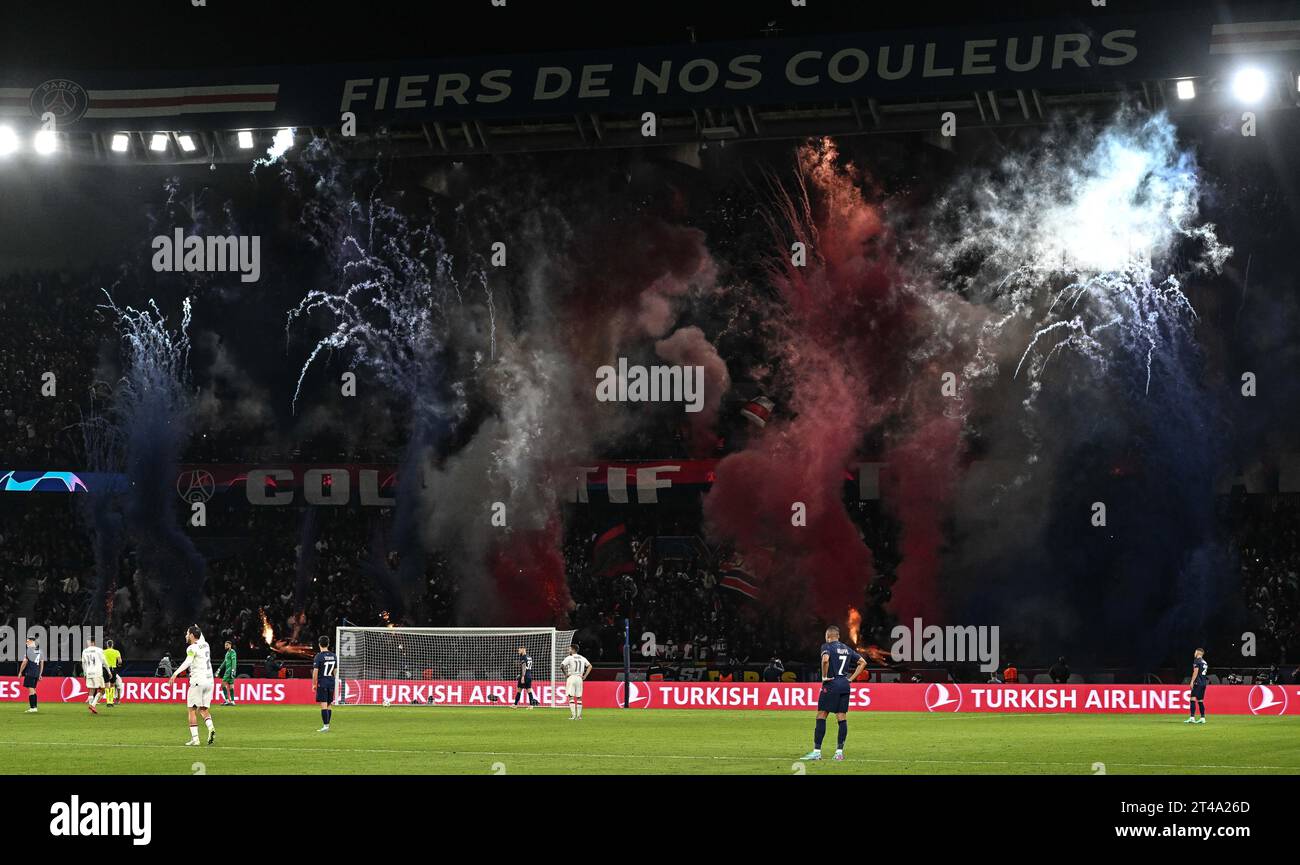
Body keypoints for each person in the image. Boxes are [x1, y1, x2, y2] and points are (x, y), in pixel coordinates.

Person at [800, 625, 867, 762]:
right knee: (841, 717)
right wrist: (851, 679)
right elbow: (863, 662)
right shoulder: (847, 649)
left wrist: (824, 676)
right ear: (838, 636)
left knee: (821, 715)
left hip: (831, 684)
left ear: (828, 636)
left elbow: (825, 660)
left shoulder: (827, 646)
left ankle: (817, 752)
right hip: (844, 685)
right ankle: (839, 753)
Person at [168, 625, 216, 745]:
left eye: (187, 633)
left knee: (192, 710)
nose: (185, 635)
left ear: (191, 636)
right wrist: (198, 628)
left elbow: (188, 661)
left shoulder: (191, 648)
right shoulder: (206, 644)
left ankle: (195, 739)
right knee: (204, 709)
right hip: (210, 682)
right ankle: (211, 728)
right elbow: (201, 636)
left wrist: (175, 673)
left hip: (198, 682)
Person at [312, 636, 337, 732]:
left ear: (319, 644)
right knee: (329, 704)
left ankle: (325, 726)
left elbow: (315, 672)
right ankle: (327, 725)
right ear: (328, 644)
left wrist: (314, 684)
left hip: (322, 682)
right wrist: (332, 680)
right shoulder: (334, 656)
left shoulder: (319, 656)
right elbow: (335, 671)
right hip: (331, 682)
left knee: (323, 704)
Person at [560, 644, 591, 720]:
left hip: (572, 677)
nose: (568, 650)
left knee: (571, 696)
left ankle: (573, 716)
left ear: (573, 650)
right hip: (579, 678)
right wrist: (585, 676)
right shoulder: (582, 658)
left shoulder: (569, 658)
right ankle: (579, 716)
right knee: (579, 697)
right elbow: (590, 666)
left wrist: (565, 674)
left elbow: (561, 666)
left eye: (570, 649)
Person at [17, 636, 43, 713]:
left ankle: (33, 707)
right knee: (33, 690)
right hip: (36, 673)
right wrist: (40, 673)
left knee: (31, 690)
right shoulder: (39, 651)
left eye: (27, 641)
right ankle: (34, 707)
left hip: (30, 672)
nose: (26, 642)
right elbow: (42, 662)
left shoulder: (29, 650)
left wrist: (20, 671)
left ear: (32, 641)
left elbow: (25, 662)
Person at [81, 637, 106, 715]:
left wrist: (85, 673)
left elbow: (83, 663)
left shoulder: (85, 651)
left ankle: (91, 708)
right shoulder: (99, 650)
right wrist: (108, 671)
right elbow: (104, 662)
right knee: (102, 690)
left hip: (89, 672)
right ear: (94, 642)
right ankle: (93, 705)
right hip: (97, 672)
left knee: (91, 690)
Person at [1186, 647, 1208, 724]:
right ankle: (1202, 718)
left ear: (1198, 653)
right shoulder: (1204, 662)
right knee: (1200, 701)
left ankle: (1192, 718)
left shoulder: (1197, 661)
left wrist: (1192, 681)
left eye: (1195, 652)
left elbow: (1195, 672)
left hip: (1197, 683)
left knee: (1192, 699)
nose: (1194, 653)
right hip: (1203, 683)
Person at [216, 640, 238, 706]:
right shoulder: (227, 653)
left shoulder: (232, 652)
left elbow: (234, 661)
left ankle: (227, 700)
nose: (225, 646)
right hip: (230, 671)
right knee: (231, 686)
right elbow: (225, 662)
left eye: (227, 645)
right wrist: (219, 669)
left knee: (223, 684)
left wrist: (233, 670)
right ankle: (232, 701)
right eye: (225, 645)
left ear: (230, 645)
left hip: (229, 671)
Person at [102, 640, 123, 706]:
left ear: (107, 645)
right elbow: (120, 661)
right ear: (112, 645)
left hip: (105, 669)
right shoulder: (116, 652)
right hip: (113, 669)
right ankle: (111, 700)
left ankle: (109, 701)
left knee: (107, 686)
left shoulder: (103, 652)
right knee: (112, 685)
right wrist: (118, 664)